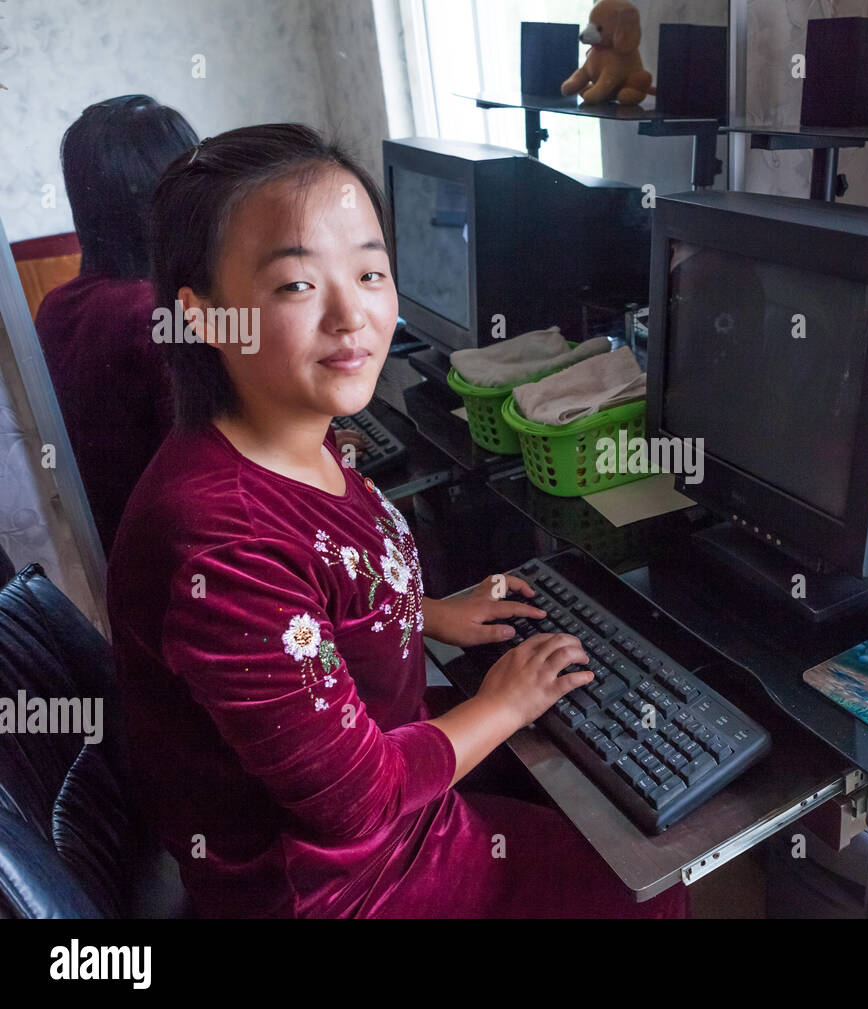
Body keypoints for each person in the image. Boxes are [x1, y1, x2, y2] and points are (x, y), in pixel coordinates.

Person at [105, 124, 688, 919]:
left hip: (393, 829)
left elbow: (323, 595)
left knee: (605, 804)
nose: (353, 316)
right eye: (296, 286)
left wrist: (430, 613)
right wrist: (503, 704)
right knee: (646, 887)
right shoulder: (222, 540)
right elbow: (360, 800)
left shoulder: (292, 433)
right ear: (205, 316)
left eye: (370, 271)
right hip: (340, 887)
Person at [35, 95, 198, 555]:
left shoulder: (57, 305)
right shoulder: (160, 316)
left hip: (113, 554)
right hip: (176, 563)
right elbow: (216, 477)